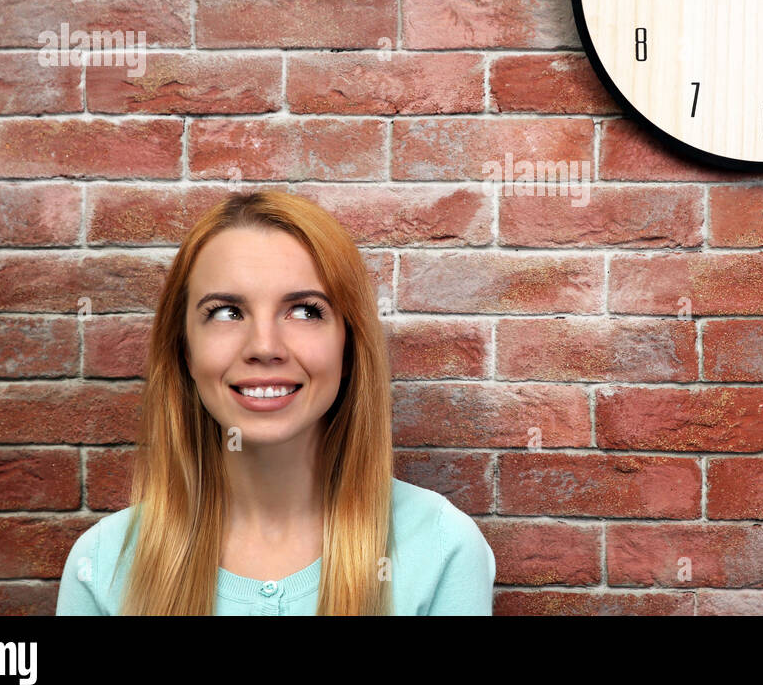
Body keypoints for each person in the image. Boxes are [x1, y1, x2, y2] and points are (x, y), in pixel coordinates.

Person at [55, 189, 495, 614]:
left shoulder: (442, 549)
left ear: (349, 349)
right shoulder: (101, 566)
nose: (264, 346)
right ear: (185, 352)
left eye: (304, 311)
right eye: (227, 312)